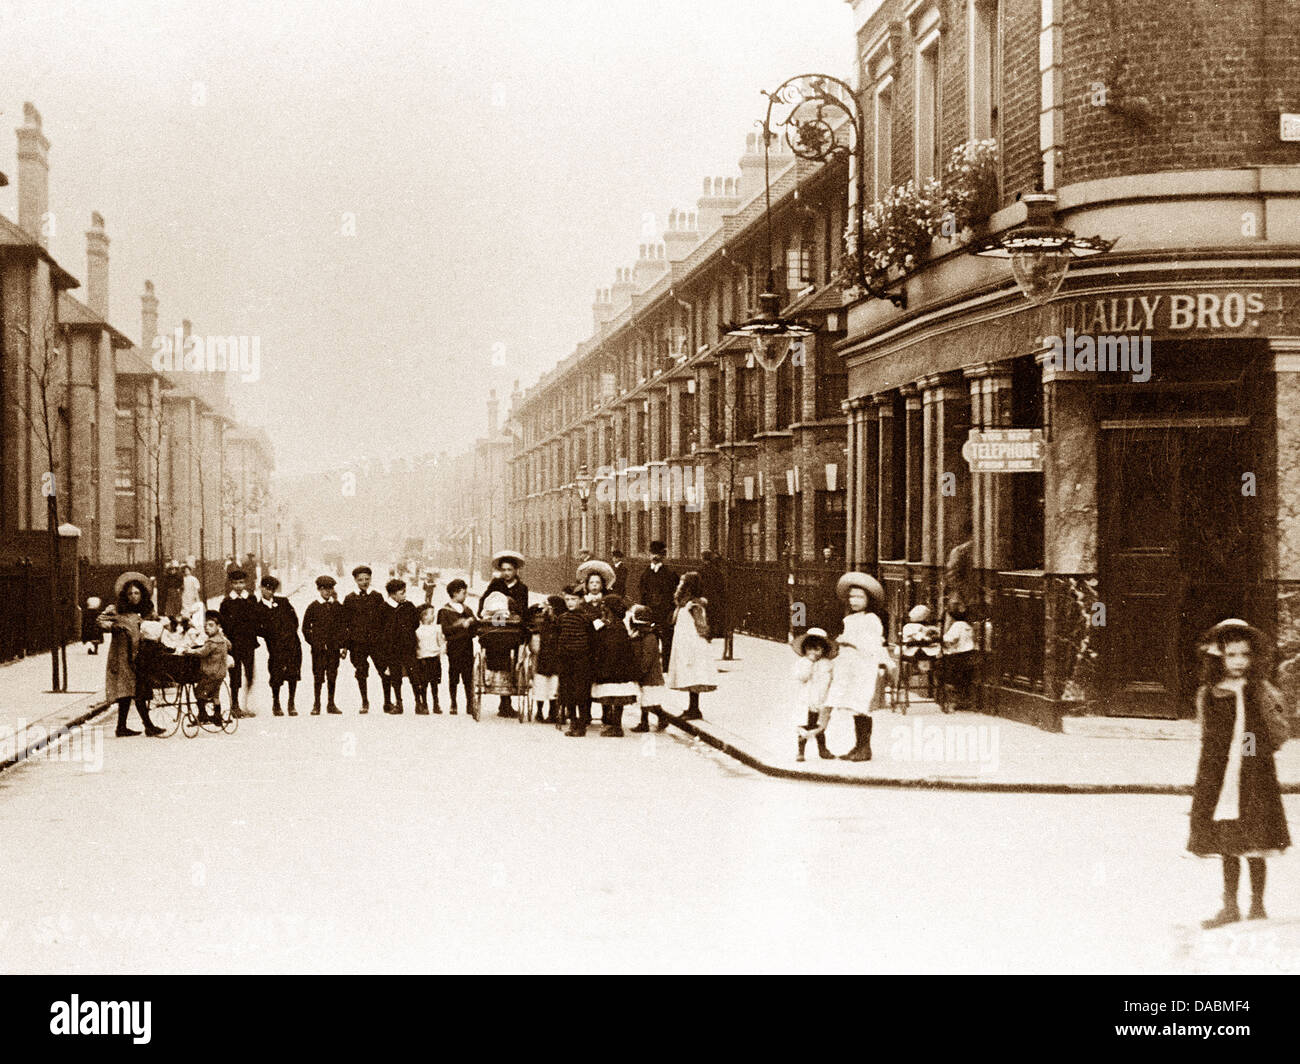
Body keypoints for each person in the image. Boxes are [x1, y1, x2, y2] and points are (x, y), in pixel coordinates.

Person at [1189, 619, 1292, 928]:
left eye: (1244, 655)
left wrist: (1253, 755)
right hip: (1221, 777)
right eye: (1231, 655)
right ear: (1219, 656)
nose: (1238, 662)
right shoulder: (1209, 693)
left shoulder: (1259, 691)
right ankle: (1230, 905)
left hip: (1254, 775)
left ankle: (1258, 905)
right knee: (1228, 842)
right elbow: (1207, 736)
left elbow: (1278, 730)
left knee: (1256, 838)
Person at [826, 572, 894, 762]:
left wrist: (849, 641)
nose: (854, 601)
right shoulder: (850, 620)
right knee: (855, 707)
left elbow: (872, 646)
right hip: (851, 668)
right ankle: (858, 745)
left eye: (859, 597)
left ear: (868, 600)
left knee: (862, 707)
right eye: (851, 596)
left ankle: (865, 748)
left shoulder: (871, 620)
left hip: (865, 667)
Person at [97, 572, 165, 737]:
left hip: (141, 656)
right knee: (127, 691)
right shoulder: (116, 610)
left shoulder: (147, 611)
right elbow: (100, 620)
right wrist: (113, 627)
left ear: (142, 594)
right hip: (121, 656)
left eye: (137, 593)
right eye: (130, 593)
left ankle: (123, 727)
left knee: (137, 690)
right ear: (124, 595)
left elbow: (155, 625)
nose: (134, 597)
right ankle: (145, 725)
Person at [665, 571, 716, 720]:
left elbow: (702, 627)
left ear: (688, 587)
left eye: (682, 583)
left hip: (692, 645)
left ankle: (695, 708)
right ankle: (691, 707)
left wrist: (694, 645)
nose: (679, 586)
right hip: (684, 644)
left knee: (693, 676)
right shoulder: (683, 605)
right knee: (688, 676)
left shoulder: (693, 605)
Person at [591, 594, 637, 737]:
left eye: (605, 607)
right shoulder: (613, 625)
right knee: (612, 696)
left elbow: (611, 648)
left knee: (616, 697)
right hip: (614, 668)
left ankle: (616, 726)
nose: (603, 610)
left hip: (615, 669)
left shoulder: (616, 628)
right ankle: (612, 724)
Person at [257, 574, 303, 716]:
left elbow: (294, 620)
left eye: (273, 589)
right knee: (276, 673)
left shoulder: (283, 602)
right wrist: (272, 636)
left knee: (293, 672)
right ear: (261, 588)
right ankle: (276, 703)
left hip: (291, 643)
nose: (270, 592)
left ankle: (291, 703)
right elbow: (259, 628)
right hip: (275, 645)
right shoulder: (258, 608)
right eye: (267, 588)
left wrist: (288, 634)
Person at [342, 565, 386, 713]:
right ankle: (365, 701)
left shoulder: (377, 596)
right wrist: (346, 646)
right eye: (360, 580)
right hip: (358, 642)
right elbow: (345, 623)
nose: (364, 582)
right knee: (361, 671)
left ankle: (387, 701)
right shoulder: (349, 599)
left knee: (383, 669)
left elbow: (383, 619)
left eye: (367, 579)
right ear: (355, 580)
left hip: (376, 641)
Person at [477, 591, 527, 718]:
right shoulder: (514, 621)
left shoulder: (488, 620)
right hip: (509, 656)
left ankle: (504, 704)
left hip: (491, 655)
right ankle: (506, 703)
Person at [302, 574, 347, 714]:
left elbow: (343, 627)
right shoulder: (313, 607)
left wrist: (343, 645)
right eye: (324, 589)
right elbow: (305, 628)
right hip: (319, 649)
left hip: (333, 648)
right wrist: (315, 642)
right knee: (318, 675)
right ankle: (317, 704)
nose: (327, 592)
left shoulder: (337, 606)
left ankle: (331, 703)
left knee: (332, 675)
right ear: (319, 590)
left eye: (330, 589)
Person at [218, 568, 259, 718]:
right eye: (235, 583)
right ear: (231, 584)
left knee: (250, 674)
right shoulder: (226, 602)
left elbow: (257, 619)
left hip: (248, 643)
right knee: (235, 676)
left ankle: (246, 704)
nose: (239, 586)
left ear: (246, 583)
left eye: (241, 582)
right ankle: (235, 705)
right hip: (233, 644)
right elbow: (222, 624)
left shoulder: (251, 599)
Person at [555, 583, 595, 736]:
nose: (570, 602)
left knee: (581, 693)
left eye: (573, 599)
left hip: (582, 661)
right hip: (566, 661)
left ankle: (582, 724)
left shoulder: (586, 619)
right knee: (567, 692)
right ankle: (573, 721)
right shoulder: (562, 618)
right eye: (567, 599)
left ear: (580, 600)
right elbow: (560, 638)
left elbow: (592, 640)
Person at [792, 628, 836, 761]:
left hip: (822, 700)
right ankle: (801, 751)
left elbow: (832, 681)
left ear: (823, 649)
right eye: (810, 649)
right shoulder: (803, 663)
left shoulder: (828, 664)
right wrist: (809, 663)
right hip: (807, 701)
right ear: (805, 649)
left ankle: (823, 750)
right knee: (805, 726)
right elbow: (802, 677)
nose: (813, 653)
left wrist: (830, 698)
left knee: (820, 727)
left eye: (817, 649)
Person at [377, 578, 420, 713]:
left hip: (408, 646)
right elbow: (379, 628)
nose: (405, 596)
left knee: (414, 674)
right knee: (395, 676)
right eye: (402, 593)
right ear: (393, 594)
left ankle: (418, 703)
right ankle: (399, 703)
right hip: (392, 649)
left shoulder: (409, 606)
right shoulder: (383, 608)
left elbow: (416, 623)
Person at [627, 604, 668, 733]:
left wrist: (641, 671)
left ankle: (647, 722)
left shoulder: (649, 637)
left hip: (650, 675)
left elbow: (648, 657)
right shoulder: (642, 635)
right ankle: (659, 719)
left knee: (648, 701)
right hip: (646, 674)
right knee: (648, 700)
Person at [439, 578, 477, 715]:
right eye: (463, 593)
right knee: (453, 676)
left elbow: (475, 627)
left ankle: (469, 703)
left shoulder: (467, 609)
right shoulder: (445, 611)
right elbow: (445, 630)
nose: (465, 596)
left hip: (467, 646)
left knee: (468, 676)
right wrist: (462, 625)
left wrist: (471, 622)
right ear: (455, 593)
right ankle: (453, 702)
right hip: (454, 647)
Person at [638, 540, 678, 669]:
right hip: (650, 611)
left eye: (658, 554)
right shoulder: (645, 574)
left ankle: (667, 666)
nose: (655, 557)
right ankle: (653, 667)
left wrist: (672, 610)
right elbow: (642, 592)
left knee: (667, 640)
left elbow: (674, 593)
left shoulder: (670, 574)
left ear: (663, 556)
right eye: (652, 554)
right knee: (650, 640)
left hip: (665, 611)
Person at [529, 597, 564, 724]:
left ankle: (552, 712)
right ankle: (539, 711)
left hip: (555, 657)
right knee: (542, 684)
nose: (545, 608)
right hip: (544, 657)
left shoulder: (560, 622)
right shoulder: (544, 621)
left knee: (553, 686)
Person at [192, 614, 232, 726]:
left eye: (211, 625)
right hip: (221, 673)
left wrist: (189, 651)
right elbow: (230, 646)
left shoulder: (211, 643)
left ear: (218, 626)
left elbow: (202, 652)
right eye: (206, 626)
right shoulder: (223, 640)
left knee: (198, 691)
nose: (207, 628)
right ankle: (217, 715)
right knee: (215, 694)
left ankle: (202, 714)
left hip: (210, 673)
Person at [940, 606, 977, 712]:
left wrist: (943, 640)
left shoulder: (957, 625)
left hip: (957, 656)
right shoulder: (968, 626)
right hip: (969, 654)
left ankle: (952, 702)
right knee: (964, 680)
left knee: (949, 677)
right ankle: (963, 701)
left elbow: (950, 639)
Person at [480, 550, 529, 624]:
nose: (506, 573)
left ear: (516, 570)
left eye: (509, 570)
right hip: (494, 623)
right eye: (503, 570)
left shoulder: (522, 588)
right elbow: (483, 602)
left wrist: (511, 604)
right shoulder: (495, 584)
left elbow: (524, 611)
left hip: (513, 625)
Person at [414, 605, 445, 714]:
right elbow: (417, 645)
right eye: (431, 613)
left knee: (434, 682)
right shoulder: (418, 631)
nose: (433, 615)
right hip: (423, 659)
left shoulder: (436, 628)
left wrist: (442, 649)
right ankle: (425, 703)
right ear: (424, 616)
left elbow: (440, 641)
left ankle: (436, 703)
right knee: (423, 683)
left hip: (434, 658)